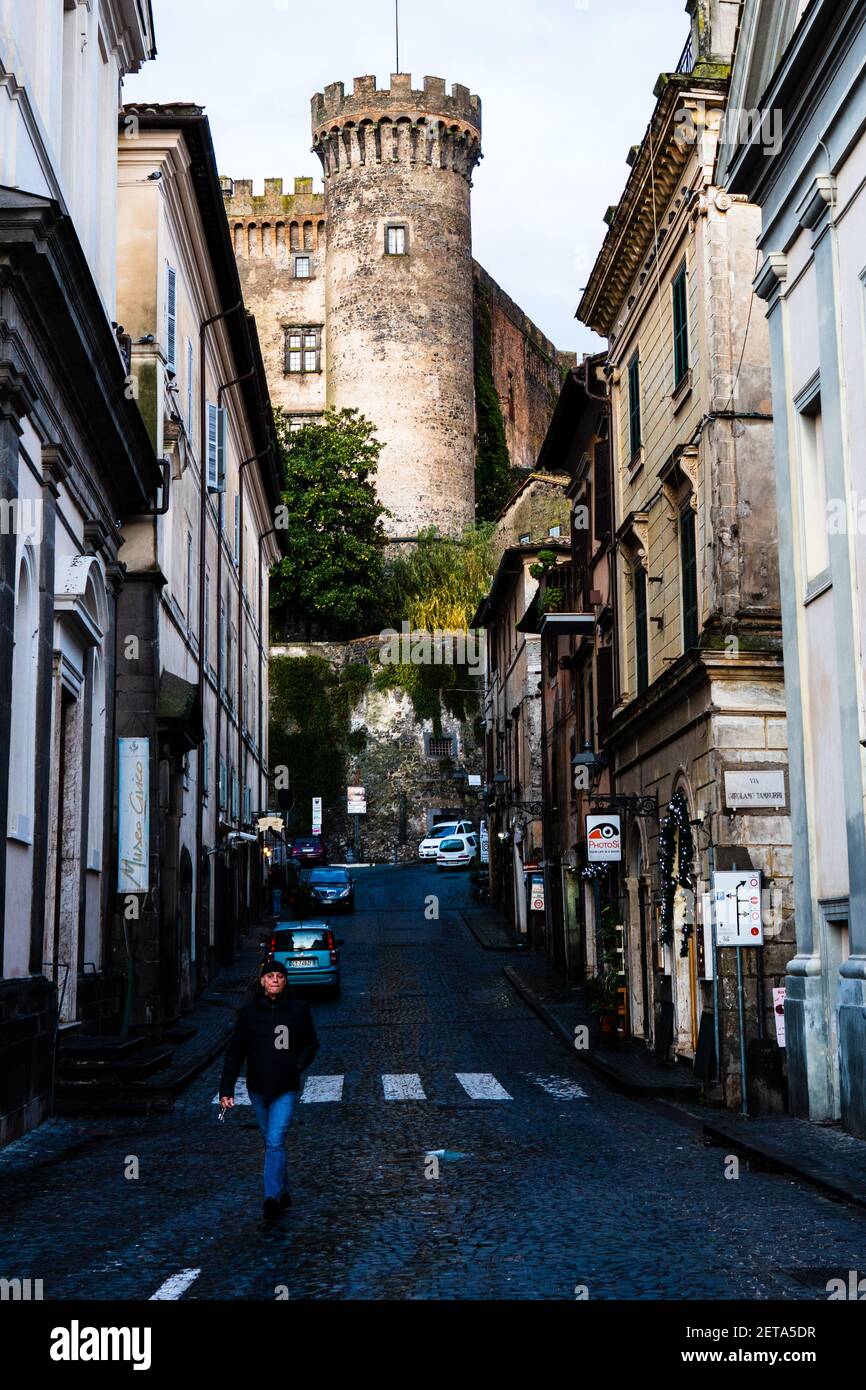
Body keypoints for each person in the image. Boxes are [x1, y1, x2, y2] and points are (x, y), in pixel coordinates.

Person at [219, 958, 319, 1222]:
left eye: (280, 976)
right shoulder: (249, 1013)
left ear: (286, 982)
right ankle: (284, 1189)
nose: (275, 979)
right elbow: (235, 1051)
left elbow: (312, 1043)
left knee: (275, 1141)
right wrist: (226, 1089)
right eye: (270, 975)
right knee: (272, 1143)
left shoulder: (298, 1010)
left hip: (285, 1087)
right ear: (262, 981)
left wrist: (298, 1064)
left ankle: (271, 1197)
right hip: (258, 1088)